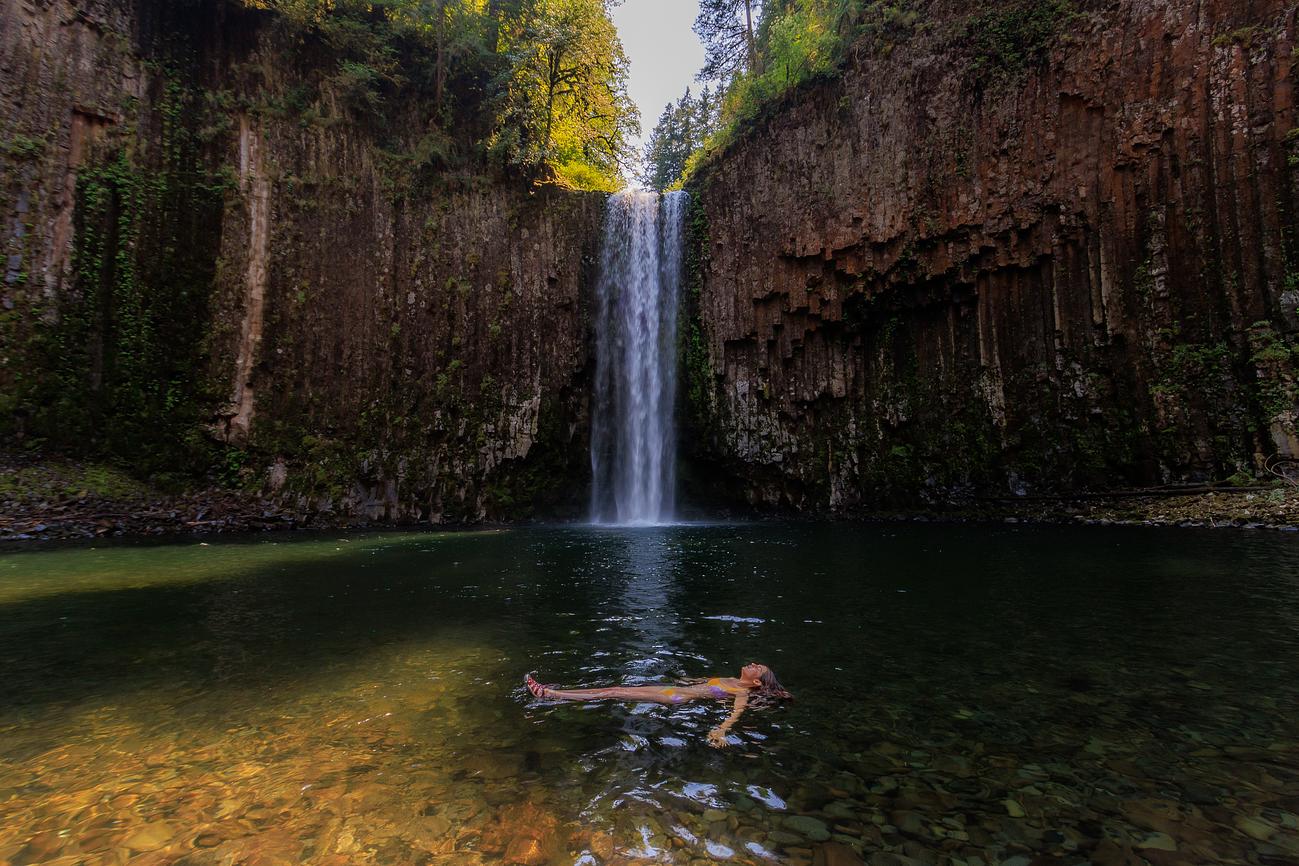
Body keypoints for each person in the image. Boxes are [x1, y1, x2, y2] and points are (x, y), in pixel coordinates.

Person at [525, 662, 792, 748]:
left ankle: (550, 695)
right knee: (613, 689)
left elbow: (737, 712)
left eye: (758, 668)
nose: (754, 665)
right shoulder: (731, 678)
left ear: (757, 683)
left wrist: (722, 731)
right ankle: (555, 693)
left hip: (675, 697)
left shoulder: (741, 692)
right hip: (675, 689)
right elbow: (702, 683)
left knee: (612, 692)